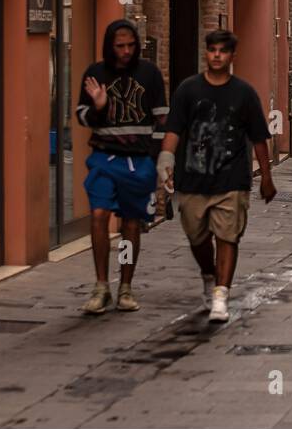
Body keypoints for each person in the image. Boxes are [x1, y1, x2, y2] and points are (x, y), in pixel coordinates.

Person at [157, 30, 276, 322]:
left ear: (232, 55)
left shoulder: (244, 93)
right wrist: (166, 158)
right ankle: (208, 275)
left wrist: (267, 177)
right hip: (193, 180)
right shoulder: (188, 90)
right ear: (206, 53)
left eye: (223, 51)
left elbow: (259, 137)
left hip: (232, 180)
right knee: (197, 238)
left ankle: (221, 295)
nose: (217, 55)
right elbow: (174, 129)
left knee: (227, 237)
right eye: (212, 50)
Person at [76, 19, 168, 314]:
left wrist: (156, 160)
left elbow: (162, 120)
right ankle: (101, 285)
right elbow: (81, 117)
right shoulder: (95, 73)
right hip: (104, 156)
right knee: (99, 214)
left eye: (130, 45)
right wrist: (99, 107)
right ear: (109, 46)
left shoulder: (150, 74)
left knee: (131, 222)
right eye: (120, 46)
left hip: (138, 161)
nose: (126, 51)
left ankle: (125, 286)